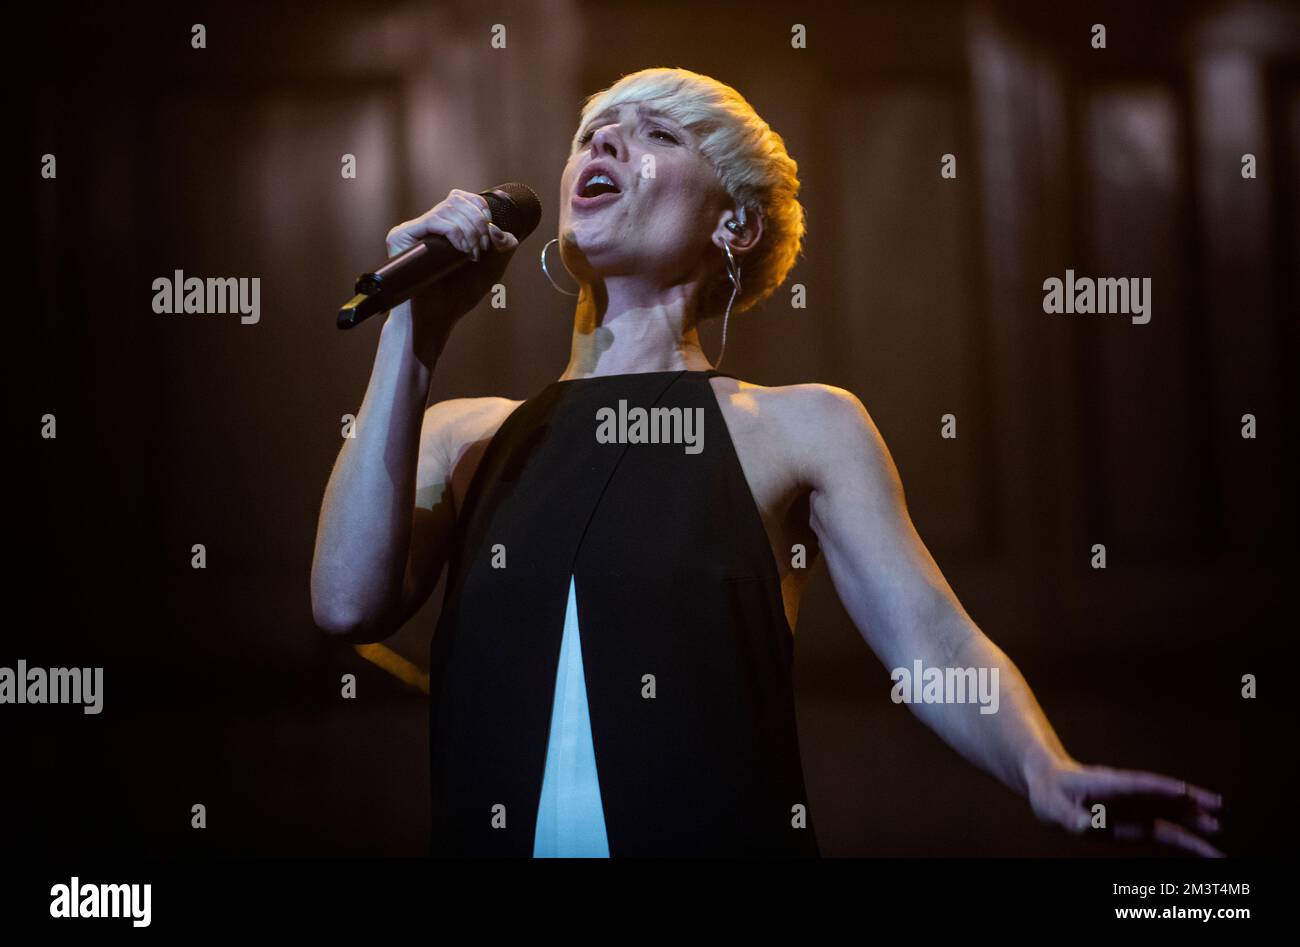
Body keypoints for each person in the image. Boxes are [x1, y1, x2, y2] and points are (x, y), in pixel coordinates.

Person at [310, 67, 1222, 858]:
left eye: (656, 133)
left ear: (735, 225)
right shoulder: (465, 433)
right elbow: (345, 600)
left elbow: (932, 644)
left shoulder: (802, 428)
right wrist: (414, 333)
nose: (610, 140)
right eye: (596, 131)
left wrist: (1042, 767)